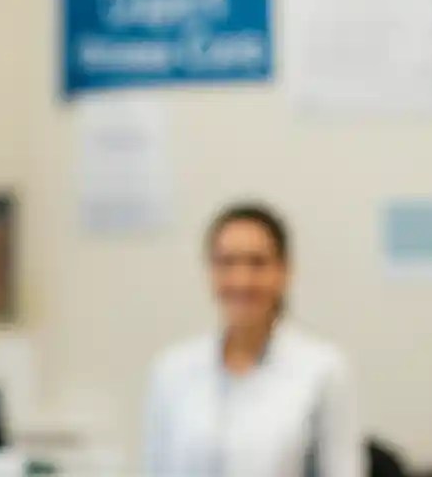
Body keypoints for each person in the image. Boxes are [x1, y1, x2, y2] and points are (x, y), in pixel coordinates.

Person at [144, 204, 363, 477]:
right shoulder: (171, 370)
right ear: (211, 271)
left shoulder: (323, 370)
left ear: (284, 272)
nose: (241, 280)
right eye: (227, 263)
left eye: (257, 263)